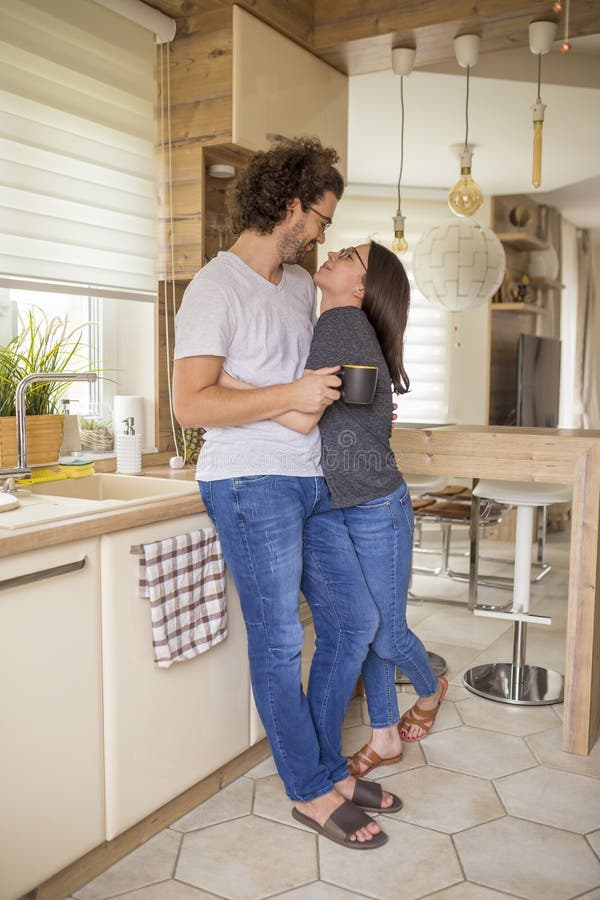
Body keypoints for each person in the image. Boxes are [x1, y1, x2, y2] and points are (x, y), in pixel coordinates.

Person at [173, 138, 400, 851]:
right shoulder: (216, 287)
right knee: (276, 644)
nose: (325, 235)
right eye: (323, 219)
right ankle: (310, 789)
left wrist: (285, 397)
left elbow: (306, 396)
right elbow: (189, 405)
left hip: (311, 480)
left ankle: (328, 766)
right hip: (248, 481)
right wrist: (287, 398)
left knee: (353, 619)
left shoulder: (302, 288)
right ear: (293, 206)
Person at [223, 241, 448, 774]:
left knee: (386, 632)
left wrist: (226, 386)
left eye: (349, 255)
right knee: (366, 628)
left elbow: (303, 415)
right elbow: (333, 404)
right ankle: (386, 736)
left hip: (375, 506)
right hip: (338, 502)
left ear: (361, 287)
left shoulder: (341, 321)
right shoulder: (333, 321)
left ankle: (431, 686)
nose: (334, 252)